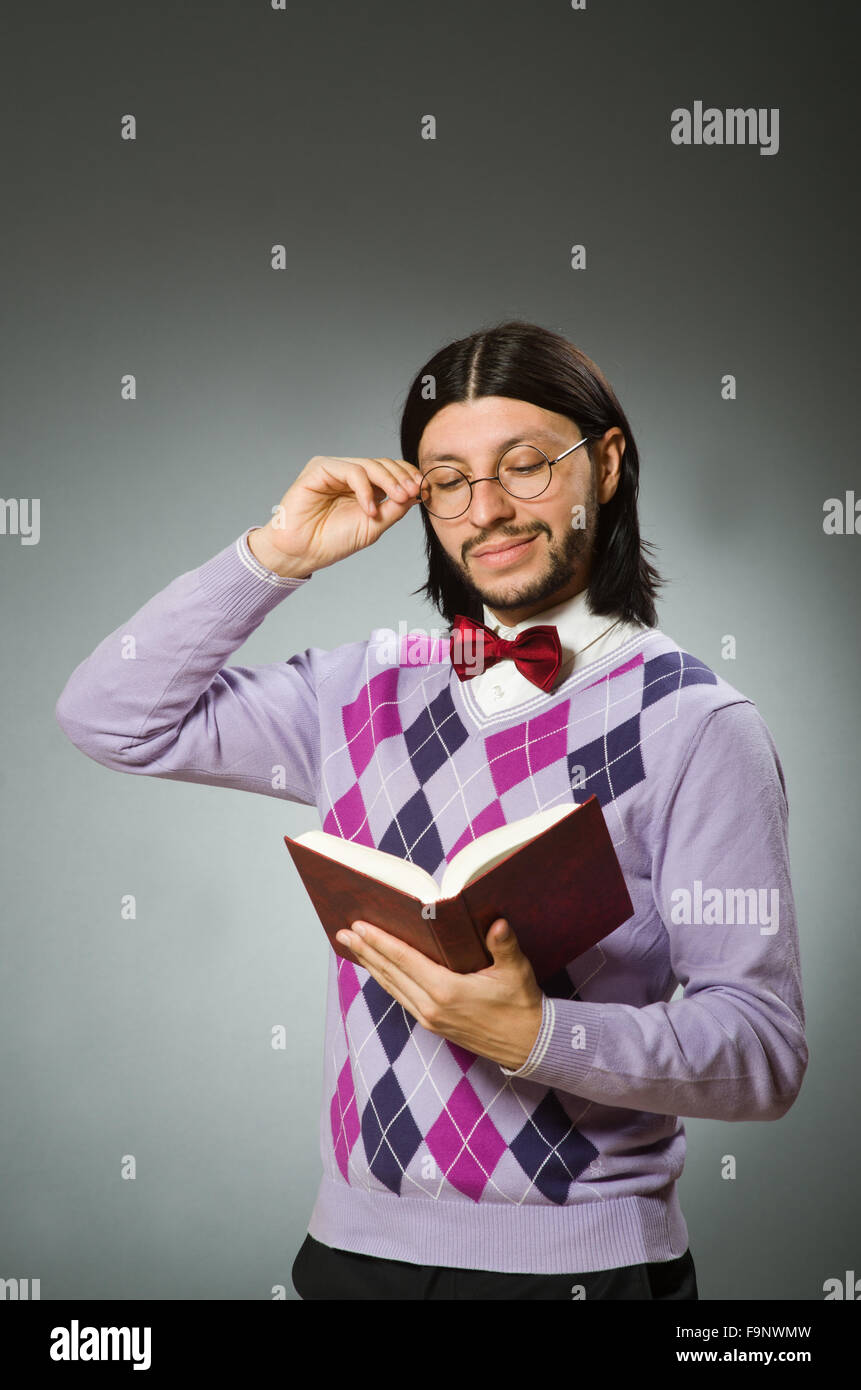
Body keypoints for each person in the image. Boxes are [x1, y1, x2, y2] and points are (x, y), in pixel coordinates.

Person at [55, 319, 807, 1301]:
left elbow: (761, 1049)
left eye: (525, 465)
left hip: (584, 1274)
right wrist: (273, 556)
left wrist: (540, 1037)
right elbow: (108, 714)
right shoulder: (357, 689)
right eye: (448, 479)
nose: (486, 509)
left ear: (608, 464)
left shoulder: (699, 727)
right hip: (348, 1259)